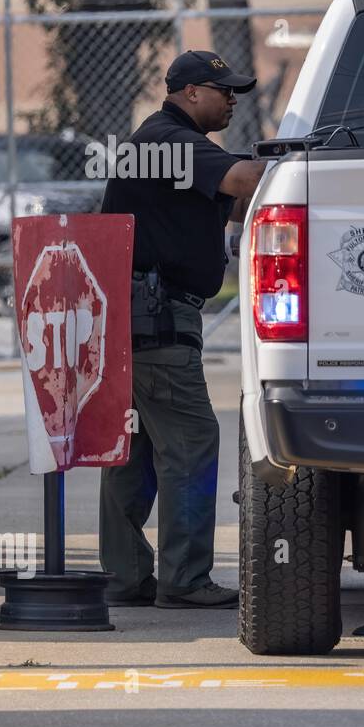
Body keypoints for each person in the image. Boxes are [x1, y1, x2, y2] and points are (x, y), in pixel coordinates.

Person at [98, 50, 267, 609]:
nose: (232, 99)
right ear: (191, 92)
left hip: (136, 319)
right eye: (223, 90)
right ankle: (185, 579)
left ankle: (125, 578)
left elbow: (232, 202)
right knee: (192, 442)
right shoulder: (169, 142)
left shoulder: (164, 147)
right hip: (159, 320)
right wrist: (301, 163)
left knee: (134, 451)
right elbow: (244, 179)